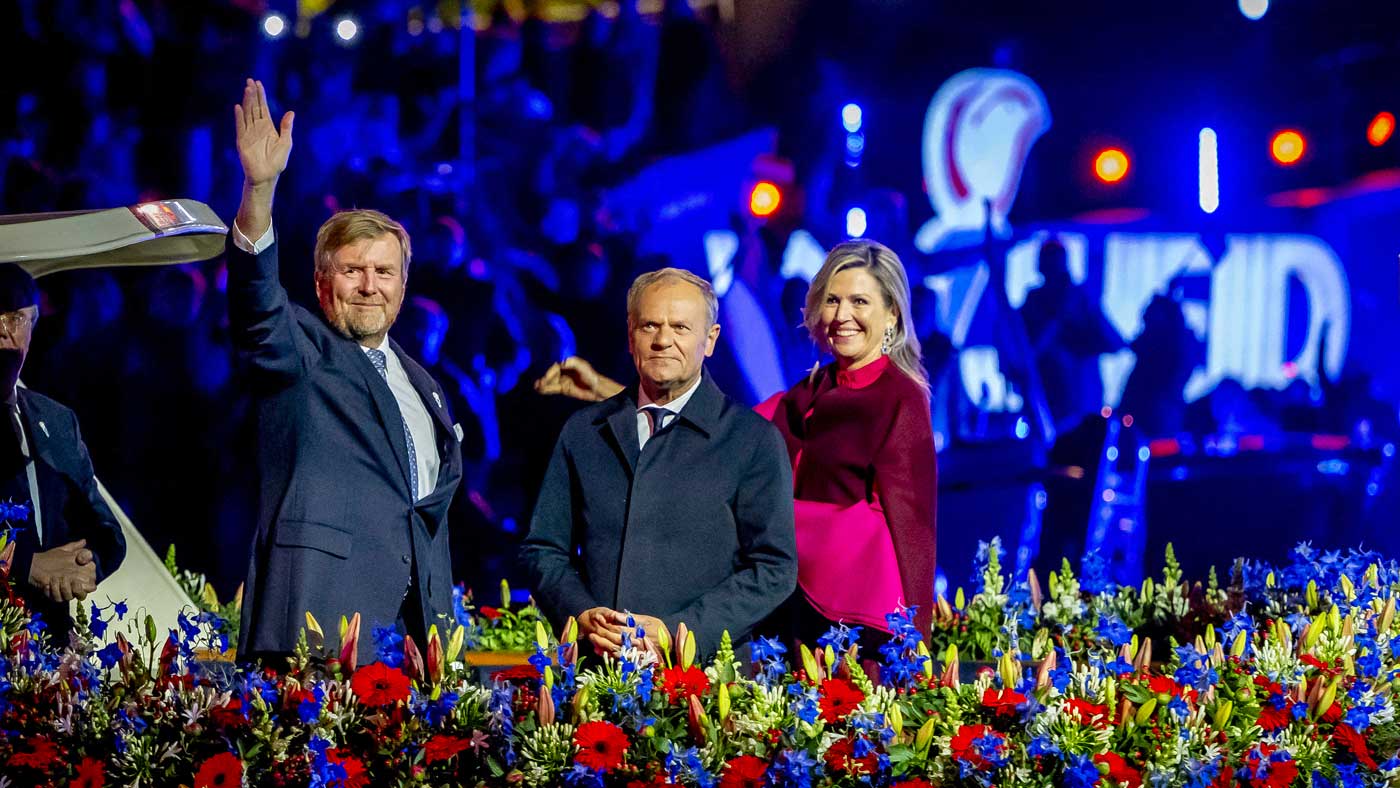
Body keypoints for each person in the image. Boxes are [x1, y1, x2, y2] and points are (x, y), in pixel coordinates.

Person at [535, 240, 938, 641]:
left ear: (892, 314)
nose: (842, 315)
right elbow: (719, 430)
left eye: (860, 302)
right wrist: (606, 392)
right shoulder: (812, 389)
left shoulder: (901, 397)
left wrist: (916, 642)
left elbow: (912, 527)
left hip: (858, 619)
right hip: (799, 609)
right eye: (832, 300)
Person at [226, 79, 464, 662]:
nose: (369, 286)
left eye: (384, 272)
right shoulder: (302, 350)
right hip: (319, 620)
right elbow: (257, 306)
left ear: (404, 286)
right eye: (353, 270)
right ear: (321, 282)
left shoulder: (425, 385)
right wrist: (261, 190)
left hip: (412, 640)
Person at [521, 268, 796, 659]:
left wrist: (679, 633)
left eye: (681, 327)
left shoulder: (751, 441)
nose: (663, 340)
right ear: (630, 334)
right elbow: (542, 548)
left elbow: (773, 569)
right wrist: (581, 614)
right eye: (650, 325)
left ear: (711, 340)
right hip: (598, 673)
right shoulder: (584, 432)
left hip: (703, 682)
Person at [0, 264, 125, 646]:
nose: (4, 333)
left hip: (46, 650)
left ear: (32, 326)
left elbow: (106, 531)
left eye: (16, 318)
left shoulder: (54, 420)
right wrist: (27, 566)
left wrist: (85, 566)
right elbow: (32, 564)